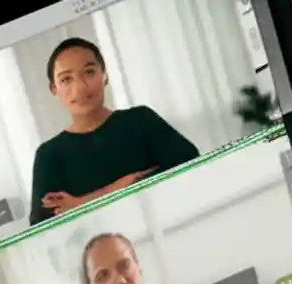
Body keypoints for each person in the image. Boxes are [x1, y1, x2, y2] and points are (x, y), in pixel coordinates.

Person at [30, 38, 200, 226]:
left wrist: (82, 203)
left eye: (89, 72)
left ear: (104, 75)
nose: (79, 87)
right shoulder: (49, 156)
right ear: (54, 89)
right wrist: (124, 184)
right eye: (66, 79)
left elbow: (189, 162)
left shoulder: (140, 120)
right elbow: (43, 228)